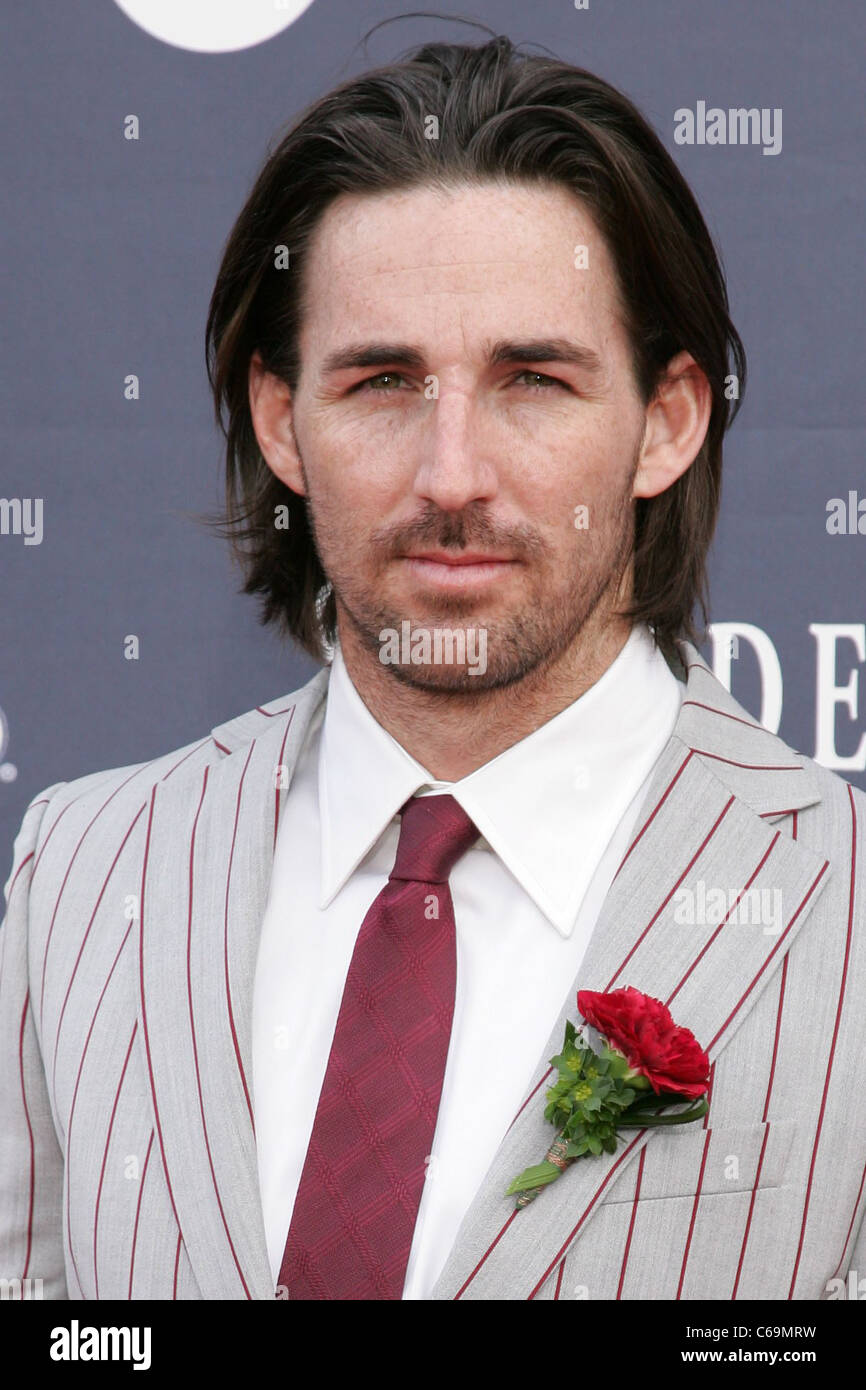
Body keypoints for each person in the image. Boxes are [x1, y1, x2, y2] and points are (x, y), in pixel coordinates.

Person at [1, 35, 863, 1302]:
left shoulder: (840, 908)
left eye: (532, 380)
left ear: (664, 421)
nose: (450, 474)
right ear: (281, 420)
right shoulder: (84, 870)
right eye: (381, 380)